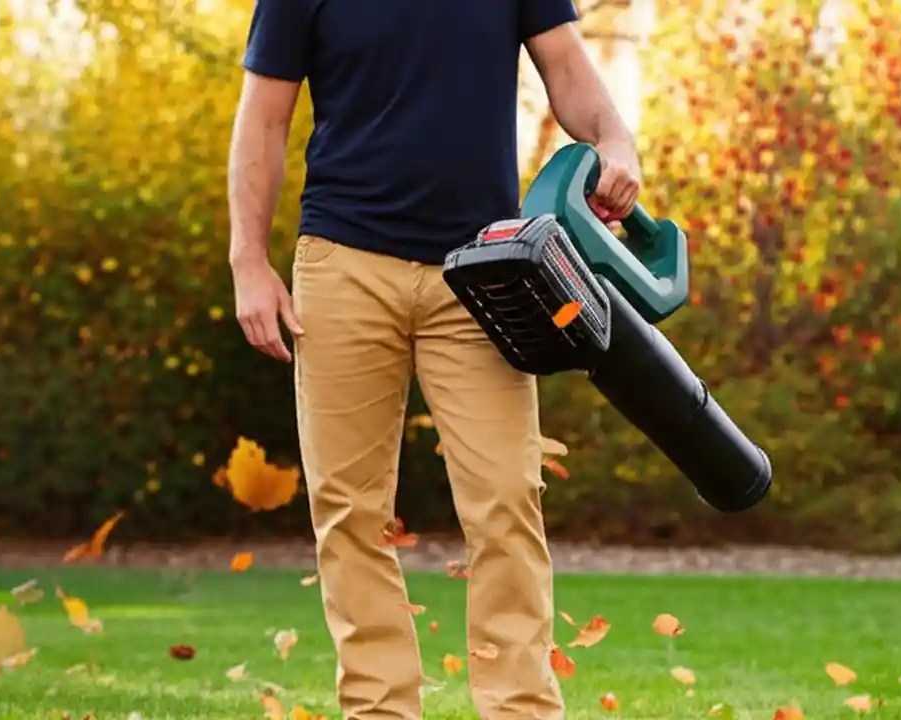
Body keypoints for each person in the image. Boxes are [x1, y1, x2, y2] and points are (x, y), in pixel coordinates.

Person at [227, 0, 640, 717]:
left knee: (507, 498)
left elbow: (567, 66)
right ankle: (380, 709)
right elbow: (263, 116)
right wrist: (247, 263)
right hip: (343, 262)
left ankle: (520, 709)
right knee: (349, 511)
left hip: (482, 268)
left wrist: (616, 140)